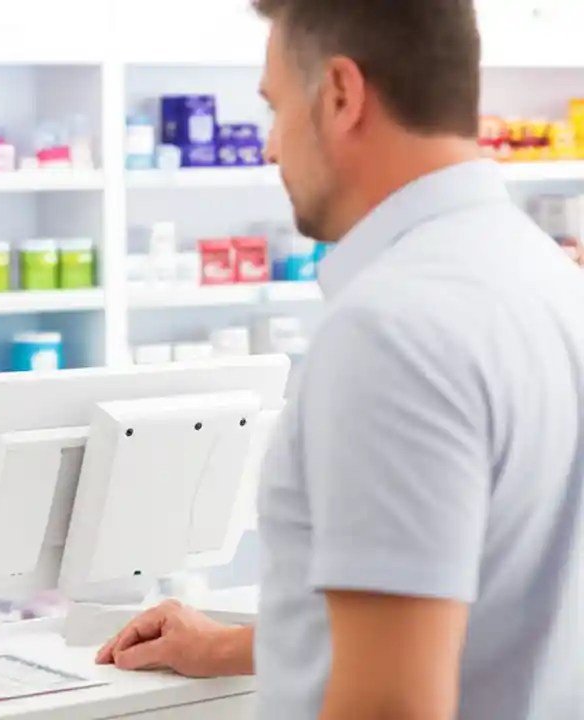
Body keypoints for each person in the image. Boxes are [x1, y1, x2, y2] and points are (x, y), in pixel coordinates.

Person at [98, 1, 583, 718]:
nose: (269, 148)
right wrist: (226, 645)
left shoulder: (393, 330)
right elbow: (478, 606)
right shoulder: (549, 277)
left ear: (340, 95)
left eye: (276, 107)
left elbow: (391, 705)